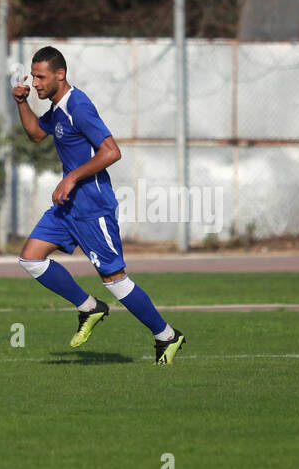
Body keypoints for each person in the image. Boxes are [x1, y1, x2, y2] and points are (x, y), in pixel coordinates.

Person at [13, 46, 187, 365]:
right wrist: (22, 102)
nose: (35, 82)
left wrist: (70, 178)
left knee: (115, 280)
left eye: (41, 77)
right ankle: (89, 307)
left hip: (93, 206)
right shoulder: (58, 106)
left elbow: (111, 152)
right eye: (33, 76)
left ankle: (167, 336)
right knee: (31, 259)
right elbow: (37, 134)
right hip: (69, 206)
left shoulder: (78, 105)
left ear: (60, 75)